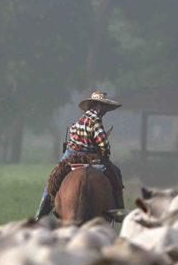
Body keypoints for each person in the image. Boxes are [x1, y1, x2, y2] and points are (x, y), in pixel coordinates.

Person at [36, 91, 125, 219]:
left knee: (54, 176)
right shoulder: (96, 120)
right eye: (104, 106)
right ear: (98, 105)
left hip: (71, 153)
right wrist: (105, 152)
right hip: (91, 154)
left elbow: (73, 134)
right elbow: (103, 143)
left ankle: (41, 212)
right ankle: (119, 210)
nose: (105, 110)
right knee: (116, 172)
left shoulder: (81, 118)